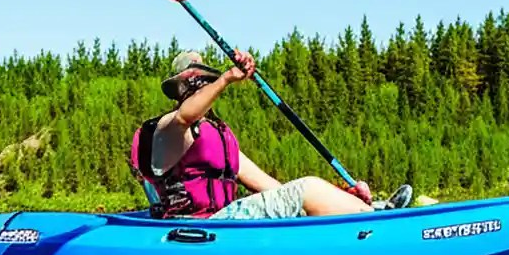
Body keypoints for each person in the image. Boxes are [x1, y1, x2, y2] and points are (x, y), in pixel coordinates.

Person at [130, 50, 412, 220]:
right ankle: (379, 220)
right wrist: (227, 78)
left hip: (224, 223)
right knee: (308, 187)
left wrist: (338, 199)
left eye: (204, 81)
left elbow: (275, 191)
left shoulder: (218, 137)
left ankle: (370, 211)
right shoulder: (169, 128)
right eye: (192, 84)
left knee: (305, 193)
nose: (199, 88)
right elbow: (186, 115)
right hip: (194, 225)